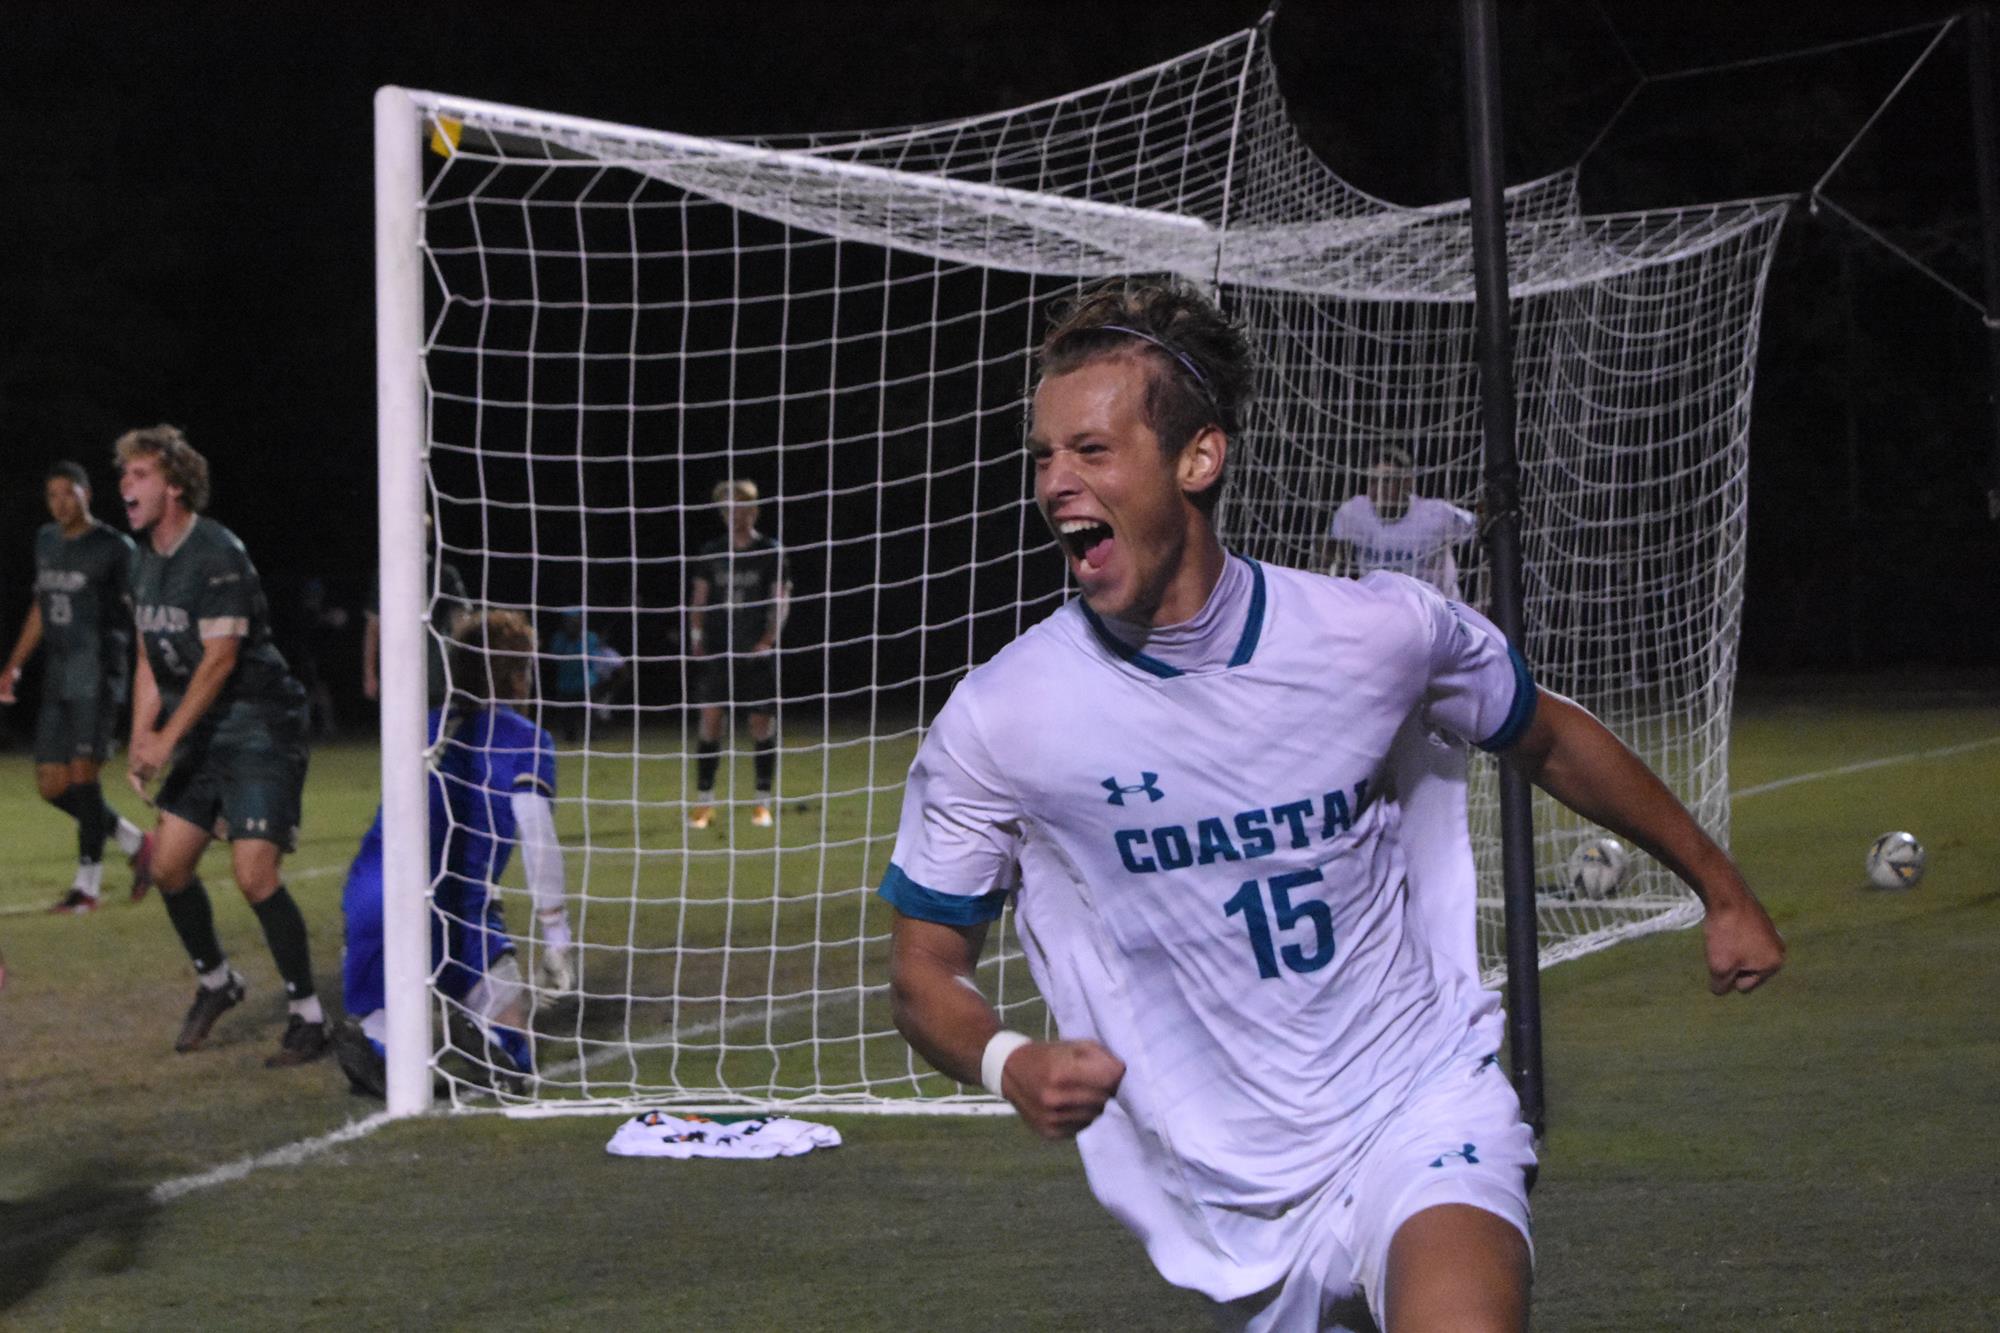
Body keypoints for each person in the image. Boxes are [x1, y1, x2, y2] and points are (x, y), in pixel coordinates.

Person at [878, 281, 1785, 1332]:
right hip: (1234, 1197)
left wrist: (1719, 888)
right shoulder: (1004, 715)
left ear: (1198, 459)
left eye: (1090, 450)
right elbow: (923, 967)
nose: (1054, 483)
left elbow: (1543, 732)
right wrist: (1008, 1060)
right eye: (1043, 455)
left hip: (1417, 1103)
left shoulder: (1373, 633)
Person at [118, 425, 328, 1067]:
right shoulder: (142, 561)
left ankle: (308, 1015)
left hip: (258, 723)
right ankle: (217, 981)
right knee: (167, 867)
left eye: (140, 474)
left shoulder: (216, 552)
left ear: (175, 486)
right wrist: (141, 736)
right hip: (203, 728)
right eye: (124, 474)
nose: (126, 485)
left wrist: (167, 738)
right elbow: (150, 657)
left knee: (254, 873)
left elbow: (219, 660)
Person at [332, 609, 575, 1099]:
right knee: (519, 1059)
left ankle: (377, 1039)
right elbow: (537, 833)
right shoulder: (525, 738)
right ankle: (493, 1041)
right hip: (454, 905)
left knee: (384, 1004)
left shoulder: (421, 726)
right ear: (515, 675)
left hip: (369, 894)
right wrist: (556, 933)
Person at [1, 462, 154, 912]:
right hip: (58, 673)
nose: (61, 503)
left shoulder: (115, 547)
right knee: (52, 784)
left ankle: (87, 887)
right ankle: (135, 842)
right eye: (52, 495)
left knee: (84, 775)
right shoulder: (46, 540)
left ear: (87, 494)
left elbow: (141, 611)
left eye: (69, 493)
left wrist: (152, 667)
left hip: (98, 671)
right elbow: (41, 605)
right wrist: (14, 665)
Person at [686, 479, 790, 830]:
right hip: (719, 650)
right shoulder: (711, 552)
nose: (735, 513)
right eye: (728, 507)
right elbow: (699, 599)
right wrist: (696, 637)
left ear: (753, 510)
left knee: (761, 725)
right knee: (710, 722)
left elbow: (780, 598)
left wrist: (769, 639)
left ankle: (762, 802)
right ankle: (704, 803)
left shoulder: (770, 551)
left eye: (742, 506)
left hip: (755, 652)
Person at [1326, 444, 1478, 599]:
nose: (1379, 489)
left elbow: (1483, 534)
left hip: (1435, 606)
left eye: (1387, 481)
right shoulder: (1352, 513)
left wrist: (1484, 598)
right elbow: (1329, 554)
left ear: (1407, 482)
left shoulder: (1437, 514)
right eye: (1373, 481)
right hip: (1380, 606)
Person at [545, 609, 627, 741]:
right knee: (567, 715)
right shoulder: (559, 639)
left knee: (589, 713)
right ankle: (570, 735)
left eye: (574, 621)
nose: (571, 624)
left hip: (586, 682)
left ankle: (592, 734)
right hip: (565, 683)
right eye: (568, 621)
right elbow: (555, 656)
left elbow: (589, 657)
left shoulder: (590, 637)